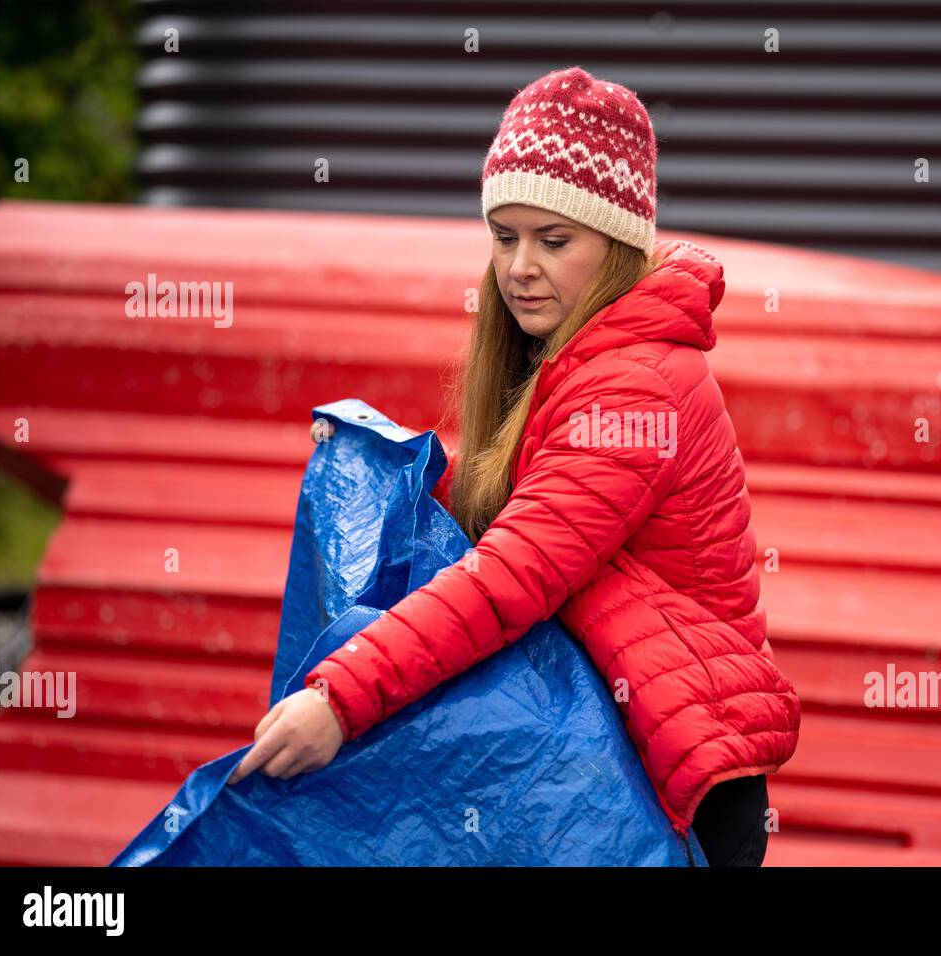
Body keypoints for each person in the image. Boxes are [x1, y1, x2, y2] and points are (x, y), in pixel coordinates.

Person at [227, 65, 802, 867]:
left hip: (674, 796)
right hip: (609, 766)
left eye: (553, 240)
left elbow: (513, 575)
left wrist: (344, 696)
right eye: (505, 236)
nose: (520, 266)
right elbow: (525, 508)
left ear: (618, 246)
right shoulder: (578, 362)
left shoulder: (635, 387)